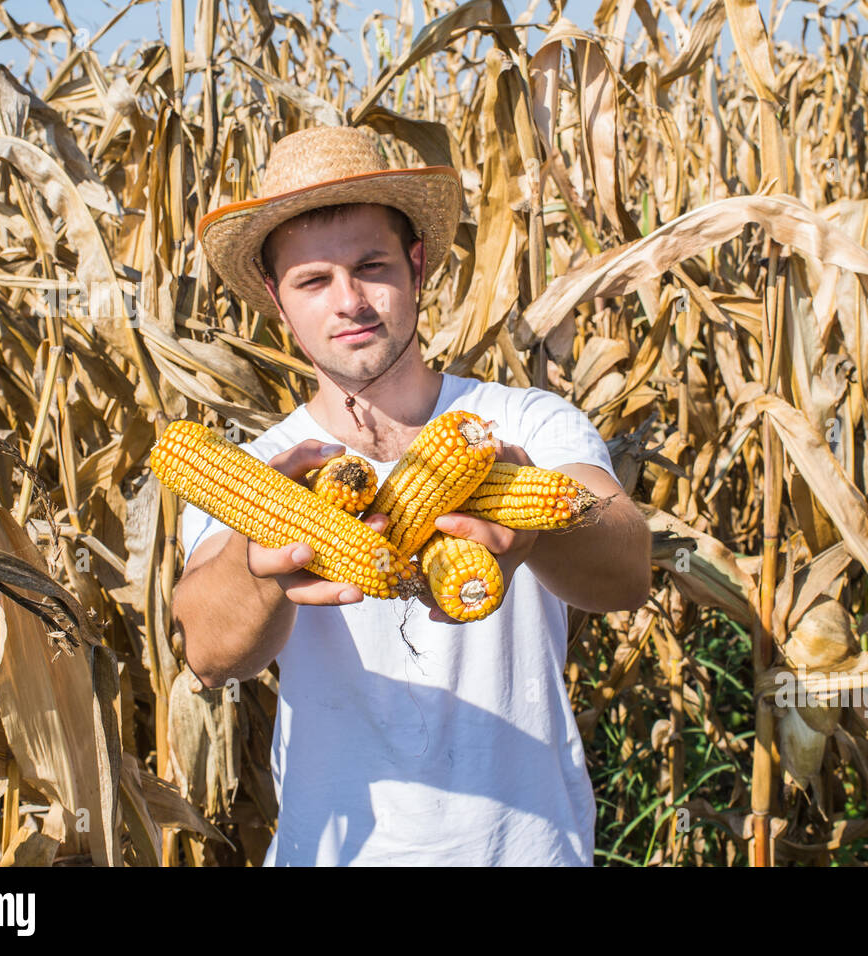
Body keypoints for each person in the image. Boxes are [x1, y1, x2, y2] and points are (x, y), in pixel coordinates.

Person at [173, 125, 651, 866]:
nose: (351, 301)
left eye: (372, 266)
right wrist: (257, 557)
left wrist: (536, 520)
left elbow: (627, 572)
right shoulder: (261, 469)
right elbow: (206, 653)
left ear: (417, 266)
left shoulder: (524, 422)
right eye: (313, 281)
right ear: (275, 298)